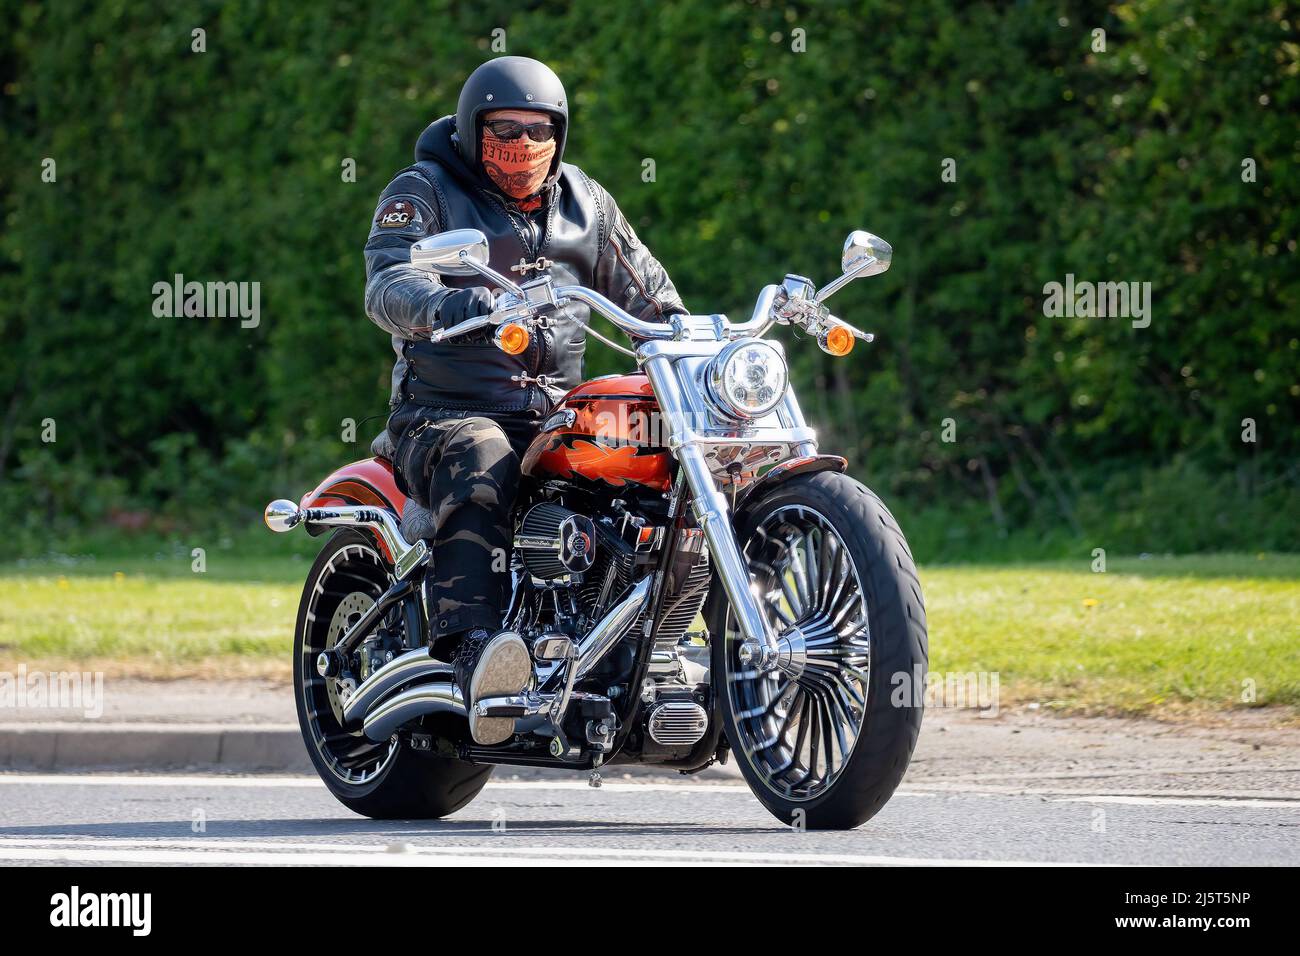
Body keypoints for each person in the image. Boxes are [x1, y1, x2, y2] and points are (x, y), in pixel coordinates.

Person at [363, 56, 686, 744]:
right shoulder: (427, 192)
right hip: (441, 413)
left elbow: (647, 288)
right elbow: (387, 283)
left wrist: (682, 335)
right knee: (483, 453)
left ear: (559, 135)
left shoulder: (587, 203)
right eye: (503, 129)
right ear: (470, 128)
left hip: (553, 414)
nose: (521, 144)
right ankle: (477, 650)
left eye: (537, 131)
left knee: (657, 458)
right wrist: (451, 299)